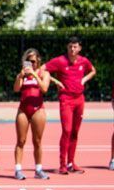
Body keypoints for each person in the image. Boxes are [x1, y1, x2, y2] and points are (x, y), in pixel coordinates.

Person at [44, 36, 96, 174]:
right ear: (67, 47)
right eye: (70, 47)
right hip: (66, 100)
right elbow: (42, 69)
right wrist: (56, 81)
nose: (72, 49)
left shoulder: (83, 61)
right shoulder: (60, 61)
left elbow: (93, 71)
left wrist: (84, 79)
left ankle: (71, 163)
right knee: (66, 130)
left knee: (75, 132)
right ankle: (62, 164)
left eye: (75, 47)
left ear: (79, 48)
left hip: (79, 99)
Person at [12, 48, 51, 180]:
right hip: (23, 109)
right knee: (21, 140)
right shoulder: (22, 74)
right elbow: (16, 89)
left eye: (33, 61)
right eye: (28, 61)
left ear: (38, 60)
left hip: (38, 109)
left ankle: (38, 169)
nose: (31, 64)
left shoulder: (43, 73)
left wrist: (34, 74)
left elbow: (44, 89)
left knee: (37, 141)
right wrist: (20, 76)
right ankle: (18, 169)